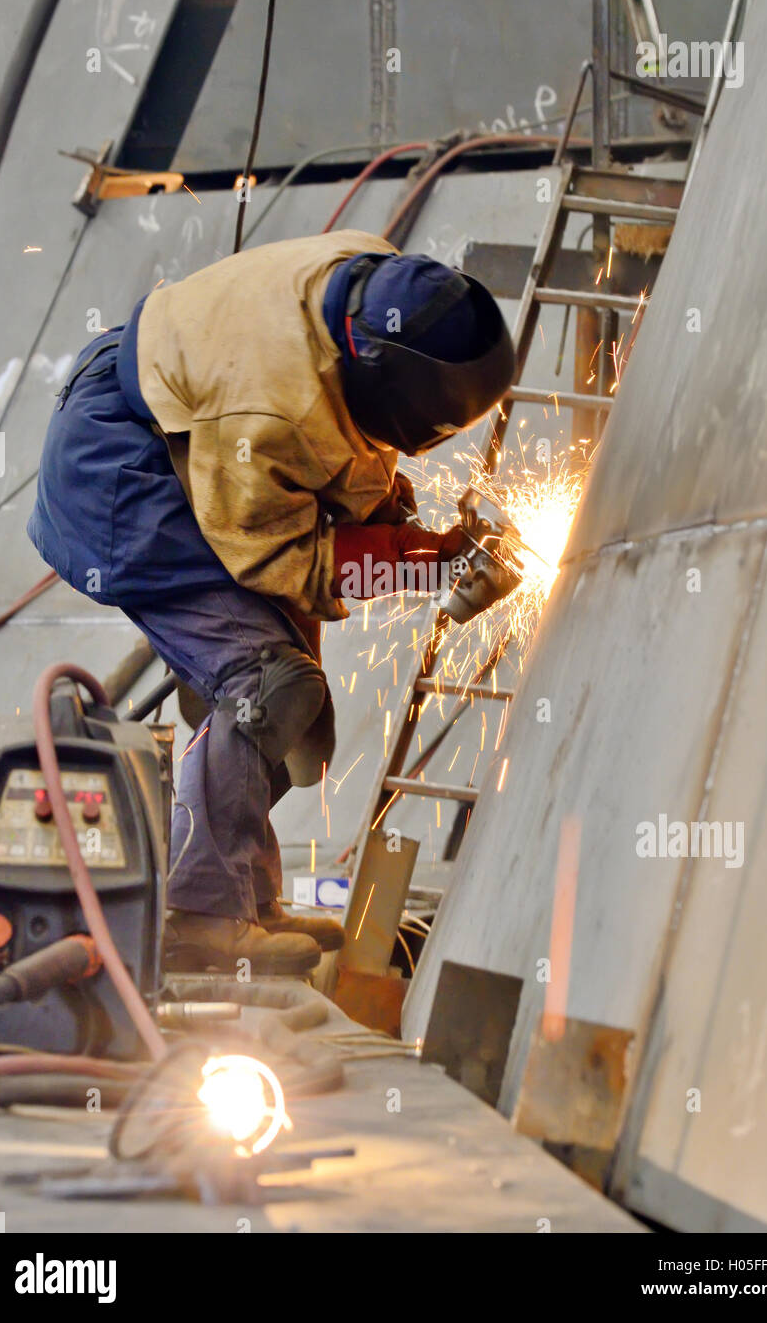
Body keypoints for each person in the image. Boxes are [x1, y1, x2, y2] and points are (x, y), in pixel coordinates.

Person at [28, 230, 514, 974]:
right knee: (267, 687)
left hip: (191, 425)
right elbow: (285, 561)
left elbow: (343, 473)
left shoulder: (374, 285)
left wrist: (419, 541)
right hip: (121, 472)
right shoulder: (271, 409)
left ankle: (248, 901)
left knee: (299, 726)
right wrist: (422, 567)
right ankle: (198, 918)